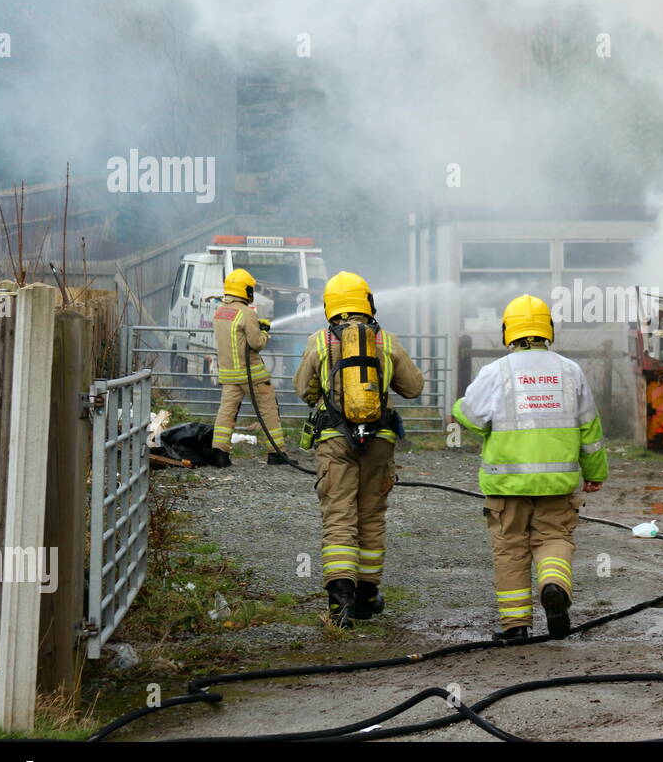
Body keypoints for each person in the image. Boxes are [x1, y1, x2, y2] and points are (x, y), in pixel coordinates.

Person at [452, 294, 608, 642]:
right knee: (553, 538)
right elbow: (590, 430)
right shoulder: (571, 370)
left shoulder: (496, 371)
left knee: (510, 548)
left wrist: (459, 407)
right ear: (547, 330)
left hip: (507, 486)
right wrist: (595, 472)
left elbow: (474, 418)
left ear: (508, 330)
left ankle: (516, 627)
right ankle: (553, 585)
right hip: (557, 483)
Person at [293, 270, 423, 626]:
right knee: (370, 515)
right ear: (368, 302)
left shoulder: (319, 341)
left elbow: (304, 391)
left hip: (334, 440)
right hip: (379, 441)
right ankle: (366, 598)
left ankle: (340, 605)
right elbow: (413, 388)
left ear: (329, 305)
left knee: (339, 516)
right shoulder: (386, 341)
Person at [211, 267, 286, 467]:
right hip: (253, 376)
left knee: (226, 413)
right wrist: (264, 332)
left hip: (229, 376)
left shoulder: (220, 312)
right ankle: (276, 453)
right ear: (245, 290)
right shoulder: (246, 313)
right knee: (269, 410)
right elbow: (257, 343)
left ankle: (220, 454)